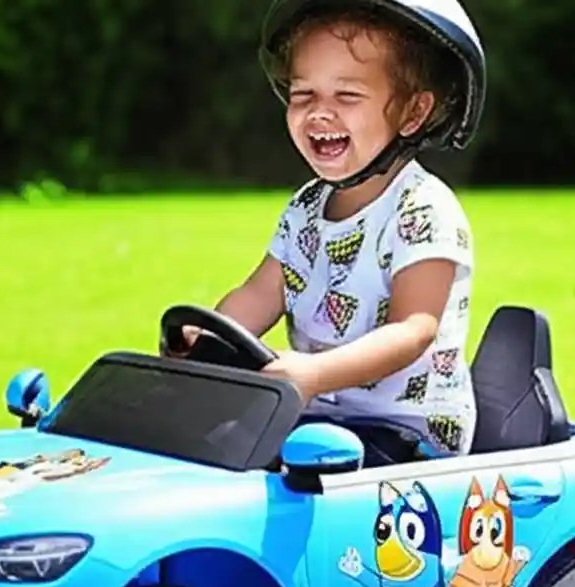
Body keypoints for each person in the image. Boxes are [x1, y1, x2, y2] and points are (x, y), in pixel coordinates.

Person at [167, 0, 487, 467]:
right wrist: (204, 338)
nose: (319, 113)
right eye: (303, 95)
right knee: (200, 440)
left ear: (413, 112)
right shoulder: (306, 207)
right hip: (317, 416)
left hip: (405, 436)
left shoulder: (423, 208)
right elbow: (259, 293)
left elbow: (413, 330)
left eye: (347, 97)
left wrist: (314, 372)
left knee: (257, 463)